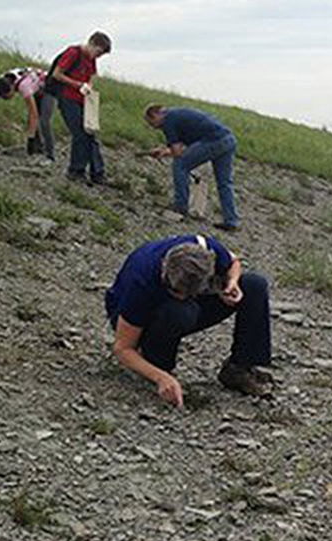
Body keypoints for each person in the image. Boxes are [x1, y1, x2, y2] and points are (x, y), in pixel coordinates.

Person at [106, 234, 274, 408]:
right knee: (179, 312)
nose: (184, 296)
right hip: (137, 317)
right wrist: (160, 377)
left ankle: (239, 368)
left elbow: (233, 263)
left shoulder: (204, 249)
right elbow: (123, 348)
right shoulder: (141, 281)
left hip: (183, 305)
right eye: (178, 292)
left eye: (192, 293)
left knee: (254, 285)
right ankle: (157, 364)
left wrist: (232, 283)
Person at [144, 105, 241, 231]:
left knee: (180, 166)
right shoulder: (178, 115)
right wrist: (164, 151)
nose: (153, 127)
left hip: (214, 141)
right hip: (228, 139)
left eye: (151, 122)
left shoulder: (168, 121)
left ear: (156, 114)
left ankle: (180, 207)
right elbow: (185, 147)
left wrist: (166, 151)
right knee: (224, 182)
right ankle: (231, 220)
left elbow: (178, 153)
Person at [48, 32, 111, 184]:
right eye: (98, 52)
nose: (98, 56)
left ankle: (98, 173)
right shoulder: (73, 53)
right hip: (67, 98)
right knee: (79, 133)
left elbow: (90, 77)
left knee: (91, 134)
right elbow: (57, 74)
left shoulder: (91, 59)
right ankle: (76, 170)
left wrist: (88, 87)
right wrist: (77, 84)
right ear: (91, 44)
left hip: (83, 99)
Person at [0, 67, 57, 161]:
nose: (7, 99)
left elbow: (34, 115)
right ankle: (38, 148)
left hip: (49, 87)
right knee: (31, 120)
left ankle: (50, 155)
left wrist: (30, 139)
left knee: (44, 121)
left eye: (7, 96)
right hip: (36, 87)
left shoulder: (24, 86)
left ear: (11, 87)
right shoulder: (4, 78)